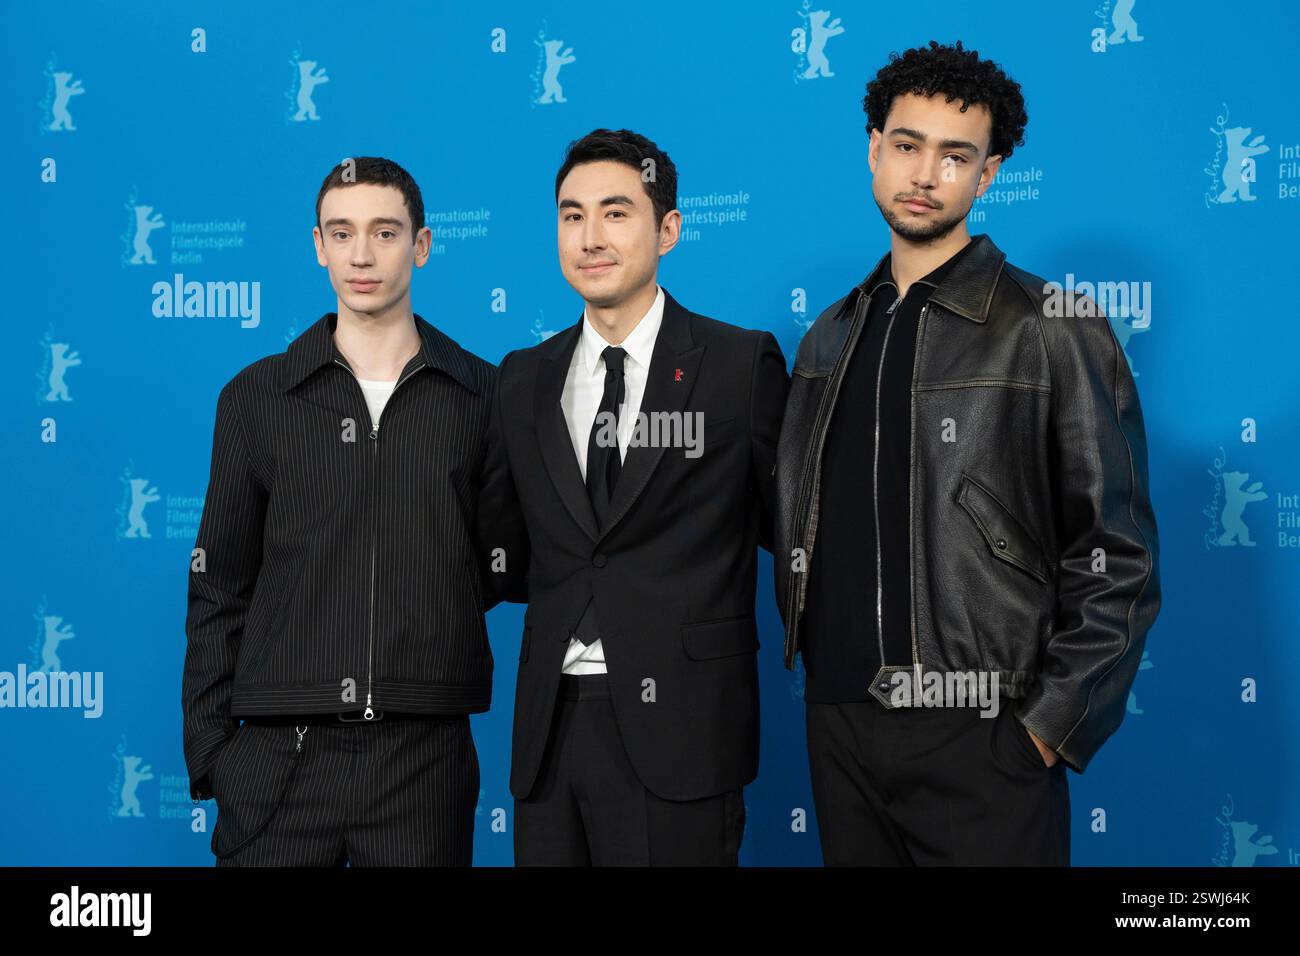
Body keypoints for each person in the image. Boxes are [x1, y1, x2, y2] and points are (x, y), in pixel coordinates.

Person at [775, 41, 1160, 865]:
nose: (924, 174)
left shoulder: (1052, 326)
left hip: (983, 727)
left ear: (986, 177)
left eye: (956, 156)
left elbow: (1117, 553)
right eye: (907, 146)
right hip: (839, 721)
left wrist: (1044, 731)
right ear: (873, 149)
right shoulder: (828, 337)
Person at [182, 156, 526, 866]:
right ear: (318, 246)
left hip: (422, 759)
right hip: (280, 758)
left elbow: (495, 566)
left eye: (384, 233)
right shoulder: (256, 399)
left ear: (421, 246)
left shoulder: (483, 396)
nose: (361, 255)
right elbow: (219, 582)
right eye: (341, 234)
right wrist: (216, 754)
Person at [492, 128, 789, 865]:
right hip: (549, 733)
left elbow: (792, 532)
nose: (590, 237)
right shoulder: (522, 377)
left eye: (616, 212)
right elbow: (505, 547)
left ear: (668, 230)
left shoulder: (737, 365)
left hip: (684, 726)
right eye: (571, 215)